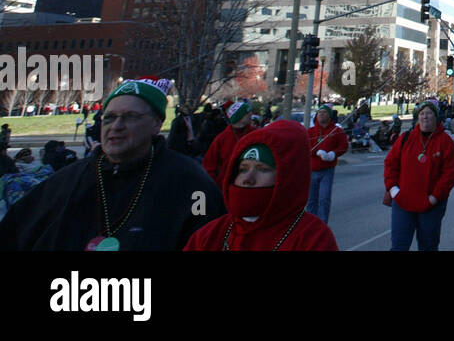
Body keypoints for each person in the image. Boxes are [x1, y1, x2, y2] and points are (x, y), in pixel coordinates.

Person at [0, 77, 223, 250]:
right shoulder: (66, 181)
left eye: (130, 117)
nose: (116, 126)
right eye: (109, 117)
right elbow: (15, 233)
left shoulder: (192, 184)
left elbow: (210, 237)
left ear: (156, 123)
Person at [185, 120, 338, 251]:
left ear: (287, 178)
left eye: (263, 169)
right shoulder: (210, 235)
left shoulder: (313, 237)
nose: (248, 179)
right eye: (243, 169)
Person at [384, 100, 454, 251]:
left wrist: (435, 197)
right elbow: (390, 164)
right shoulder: (406, 138)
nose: (425, 117)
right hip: (403, 202)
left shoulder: (445, 142)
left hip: (430, 204)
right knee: (399, 246)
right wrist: (393, 189)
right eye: (422, 114)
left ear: (436, 117)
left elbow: (450, 173)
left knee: (428, 246)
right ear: (417, 117)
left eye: (429, 113)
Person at [306, 106, 348, 222]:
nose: (321, 115)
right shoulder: (310, 132)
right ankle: (310, 223)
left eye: (324, 112)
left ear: (329, 115)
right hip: (312, 170)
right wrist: (316, 152)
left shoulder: (336, 131)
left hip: (327, 170)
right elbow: (304, 147)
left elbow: (343, 146)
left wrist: (332, 154)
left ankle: (322, 223)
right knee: (311, 199)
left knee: (324, 198)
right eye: (319, 112)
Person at [203, 100, 255, 184]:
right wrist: (216, 185)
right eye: (247, 112)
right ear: (239, 116)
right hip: (226, 186)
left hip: (251, 184)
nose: (251, 114)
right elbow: (208, 165)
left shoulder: (256, 134)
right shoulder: (221, 139)